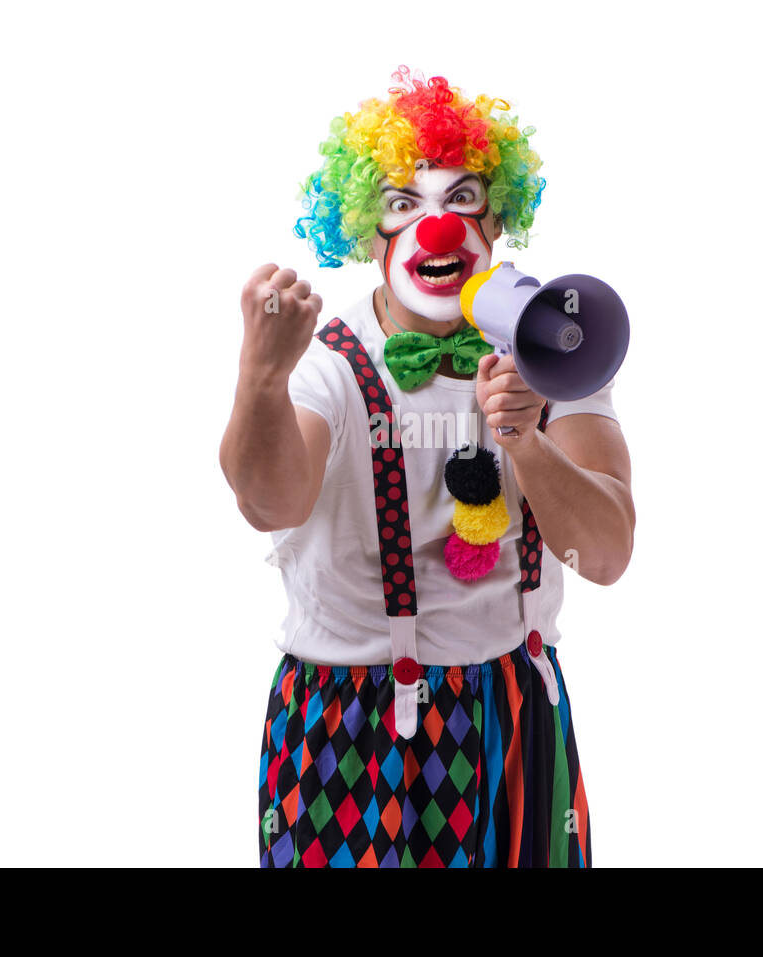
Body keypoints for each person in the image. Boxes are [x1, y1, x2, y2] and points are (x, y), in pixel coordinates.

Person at [220, 66, 634, 867]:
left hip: (514, 707)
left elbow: (607, 555)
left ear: (498, 220)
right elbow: (270, 503)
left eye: (463, 198)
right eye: (404, 204)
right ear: (369, 235)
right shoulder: (330, 365)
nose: (439, 228)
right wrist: (261, 380)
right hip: (346, 720)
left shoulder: (556, 345)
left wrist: (525, 437)